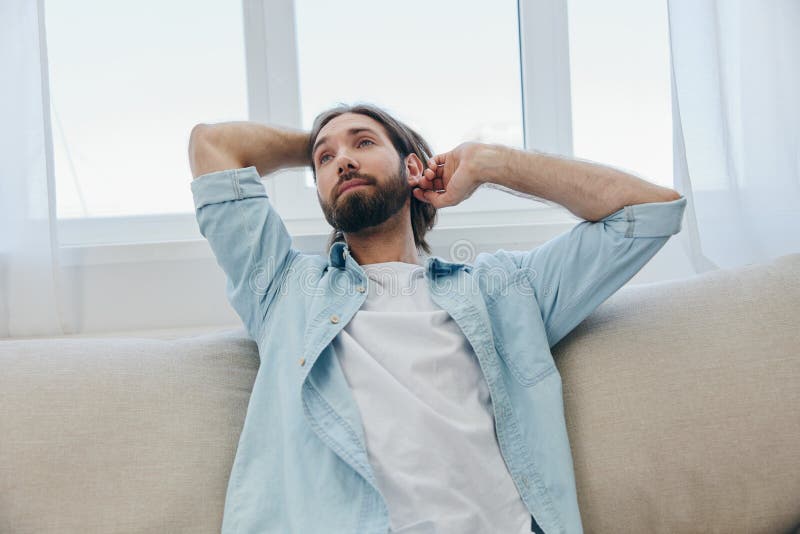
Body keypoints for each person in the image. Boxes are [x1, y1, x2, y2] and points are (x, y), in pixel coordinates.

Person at [188, 102, 687, 534]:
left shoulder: (503, 291)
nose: (343, 159)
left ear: (413, 167)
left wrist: (492, 163)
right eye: (326, 159)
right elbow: (211, 146)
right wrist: (320, 139)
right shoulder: (284, 290)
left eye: (363, 142)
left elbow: (650, 212)